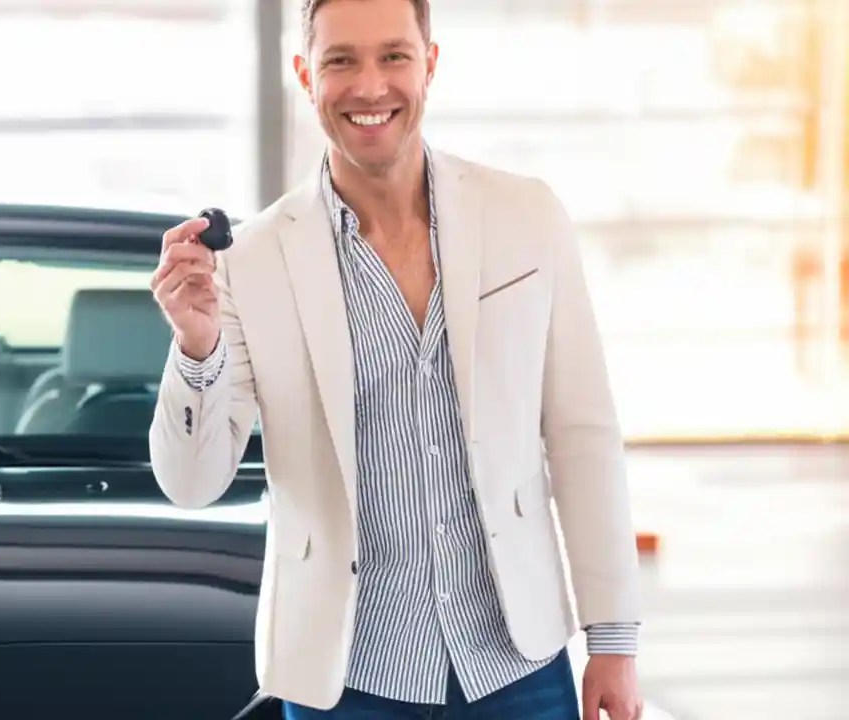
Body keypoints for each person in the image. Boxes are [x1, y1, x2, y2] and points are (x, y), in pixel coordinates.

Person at [148, 0, 644, 718]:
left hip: (516, 661)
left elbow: (583, 435)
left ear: (430, 63)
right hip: (347, 678)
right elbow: (193, 484)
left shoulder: (526, 216)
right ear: (304, 75)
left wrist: (614, 640)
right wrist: (197, 347)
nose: (370, 86)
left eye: (394, 56)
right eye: (340, 61)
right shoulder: (251, 262)